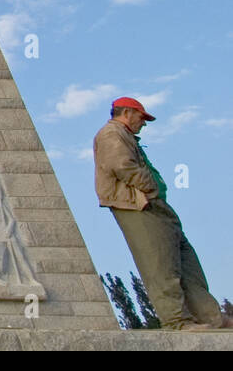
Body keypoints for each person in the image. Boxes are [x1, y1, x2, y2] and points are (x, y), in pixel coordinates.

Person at [93, 96, 231, 332]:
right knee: (161, 266)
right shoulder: (110, 133)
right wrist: (151, 187)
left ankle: (212, 319)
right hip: (138, 207)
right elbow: (120, 165)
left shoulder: (124, 135)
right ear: (126, 113)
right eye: (141, 117)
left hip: (154, 205)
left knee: (187, 265)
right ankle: (176, 322)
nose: (144, 123)